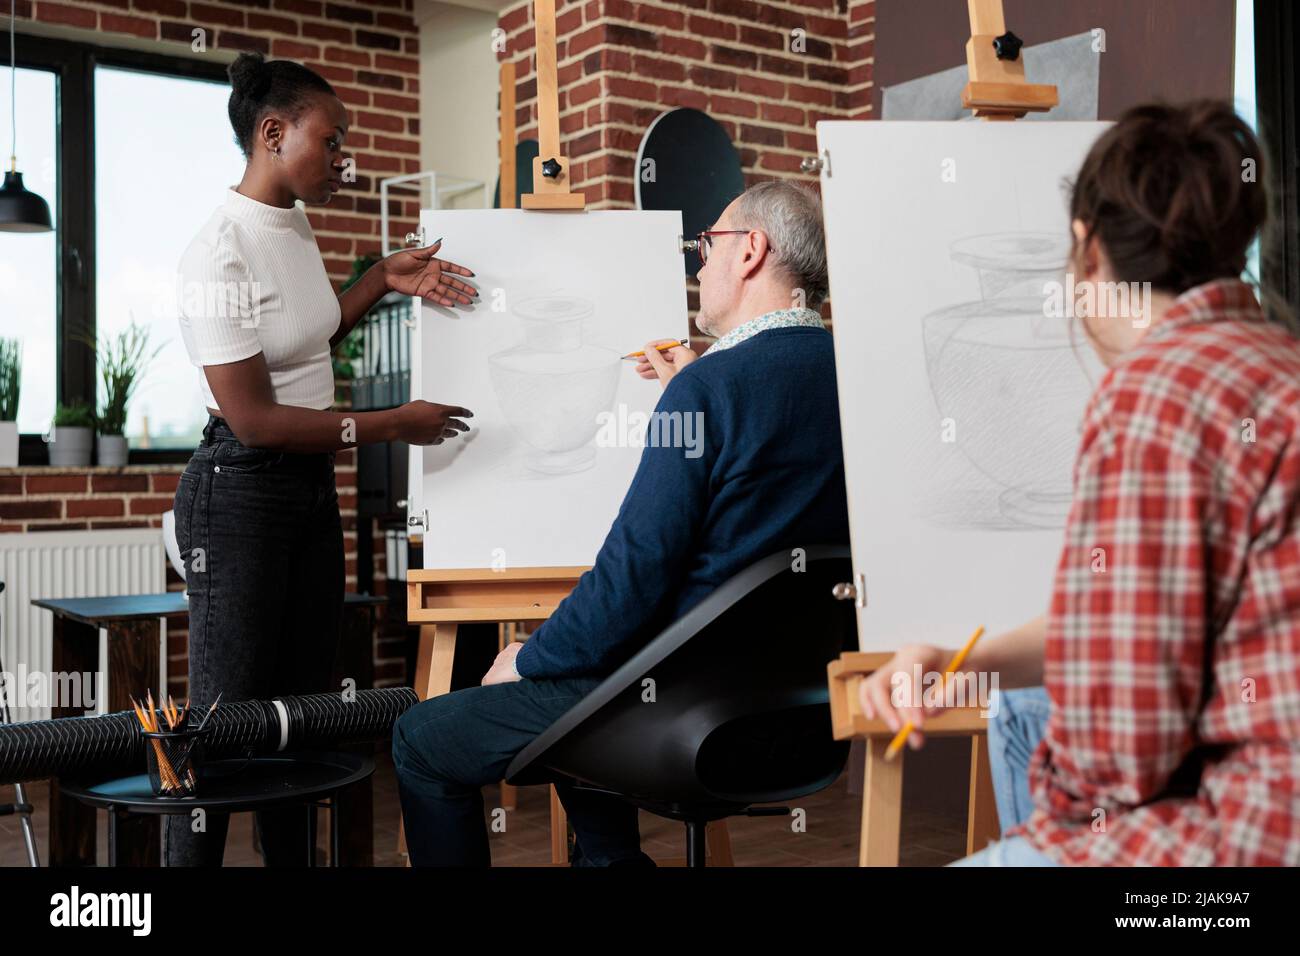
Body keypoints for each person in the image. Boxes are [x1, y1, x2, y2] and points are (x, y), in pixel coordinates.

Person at [860, 100, 1300, 866]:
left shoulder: (1154, 394)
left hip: (1239, 852)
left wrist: (1051, 830)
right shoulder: (1274, 363)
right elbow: (1126, 625)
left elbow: (1120, 756)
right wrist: (960, 663)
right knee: (1022, 703)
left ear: (1087, 251)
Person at [392, 180, 850, 866]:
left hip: (679, 713)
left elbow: (636, 571)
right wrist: (690, 398)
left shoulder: (709, 389)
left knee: (422, 740)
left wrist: (530, 657)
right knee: (594, 677)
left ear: (752, 250)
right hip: (805, 718)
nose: (699, 263)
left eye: (709, 243)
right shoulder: (851, 376)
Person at [166, 52, 477, 866]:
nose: (345, 159)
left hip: (306, 490)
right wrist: (391, 424)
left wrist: (379, 279)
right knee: (223, 725)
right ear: (273, 134)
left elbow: (306, 337)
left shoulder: (292, 224)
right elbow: (259, 419)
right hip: (238, 490)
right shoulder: (216, 253)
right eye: (331, 142)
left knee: (299, 720)